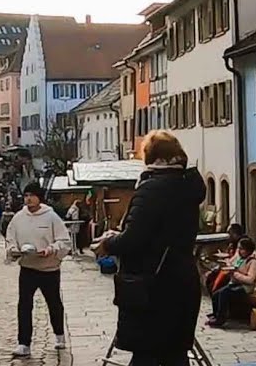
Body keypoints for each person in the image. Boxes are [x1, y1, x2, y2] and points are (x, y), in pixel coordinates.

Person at [96, 130, 206, 366]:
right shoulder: (186, 186)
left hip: (154, 286)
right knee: (175, 354)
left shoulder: (152, 189)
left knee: (146, 354)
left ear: (151, 157)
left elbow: (134, 239)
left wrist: (108, 243)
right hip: (183, 280)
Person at [5, 182, 71, 358]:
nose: (28, 199)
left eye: (32, 195)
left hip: (49, 268)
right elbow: (10, 237)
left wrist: (51, 249)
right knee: (24, 305)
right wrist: (13, 250)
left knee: (54, 303)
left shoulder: (51, 217)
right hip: (27, 267)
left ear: (39, 197)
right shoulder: (18, 217)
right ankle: (24, 343)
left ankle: (59, 335)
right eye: (26, 195)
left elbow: (64, 241)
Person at [206, 237, 256, 328]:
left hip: (245, 287)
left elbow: (250, 279)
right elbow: (231, 263)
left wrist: (235, 274)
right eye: (239, 248)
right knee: (216, 293)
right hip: (234, 283)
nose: (239, 251)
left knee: (224, 293)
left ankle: (221, 319)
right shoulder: (239, 258)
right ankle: (216, 314)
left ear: (247, 250)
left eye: (242, 249)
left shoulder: (252, 261)